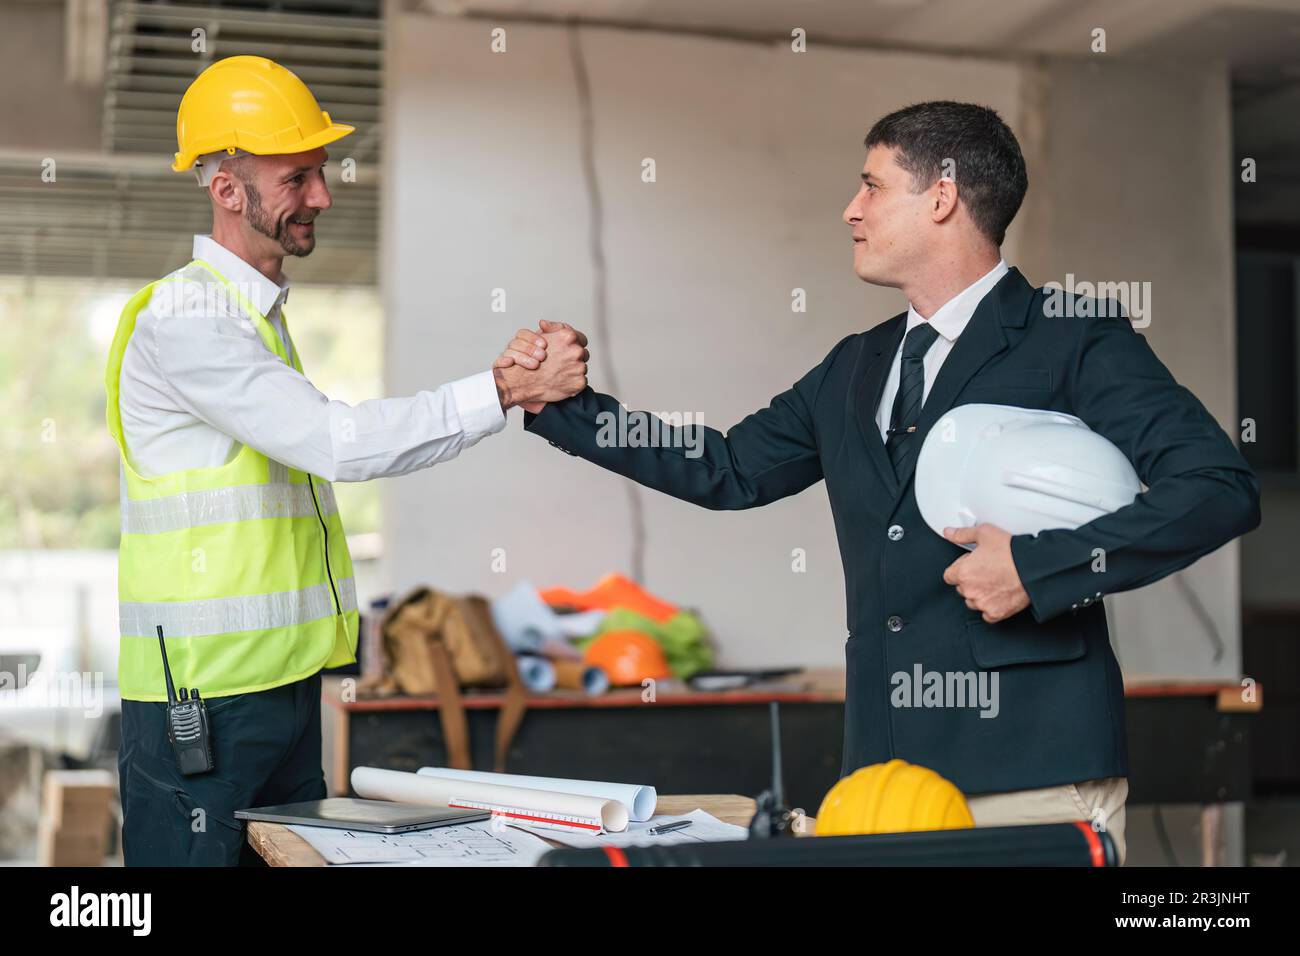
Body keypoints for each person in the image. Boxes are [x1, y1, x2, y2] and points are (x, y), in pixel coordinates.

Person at [501, 101, 1262, 866]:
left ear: (942, 197)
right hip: (883, 777)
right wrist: (567, 406)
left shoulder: (1073, 337)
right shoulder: (854, 366)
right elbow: (728, 468)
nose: (850, 209)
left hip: (1034, 767)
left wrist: (1038, 567)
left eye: (871, 186)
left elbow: (1216, 485)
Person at [109, 56, 586, 865]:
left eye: (321, 173)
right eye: (298, 178)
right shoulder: (187, 319)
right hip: (205, 707)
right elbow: (341, 443)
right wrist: (504, 388)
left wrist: (507, 389)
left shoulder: (252, 317)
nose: (323, 197)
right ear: (227, 189)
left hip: (278, 694)